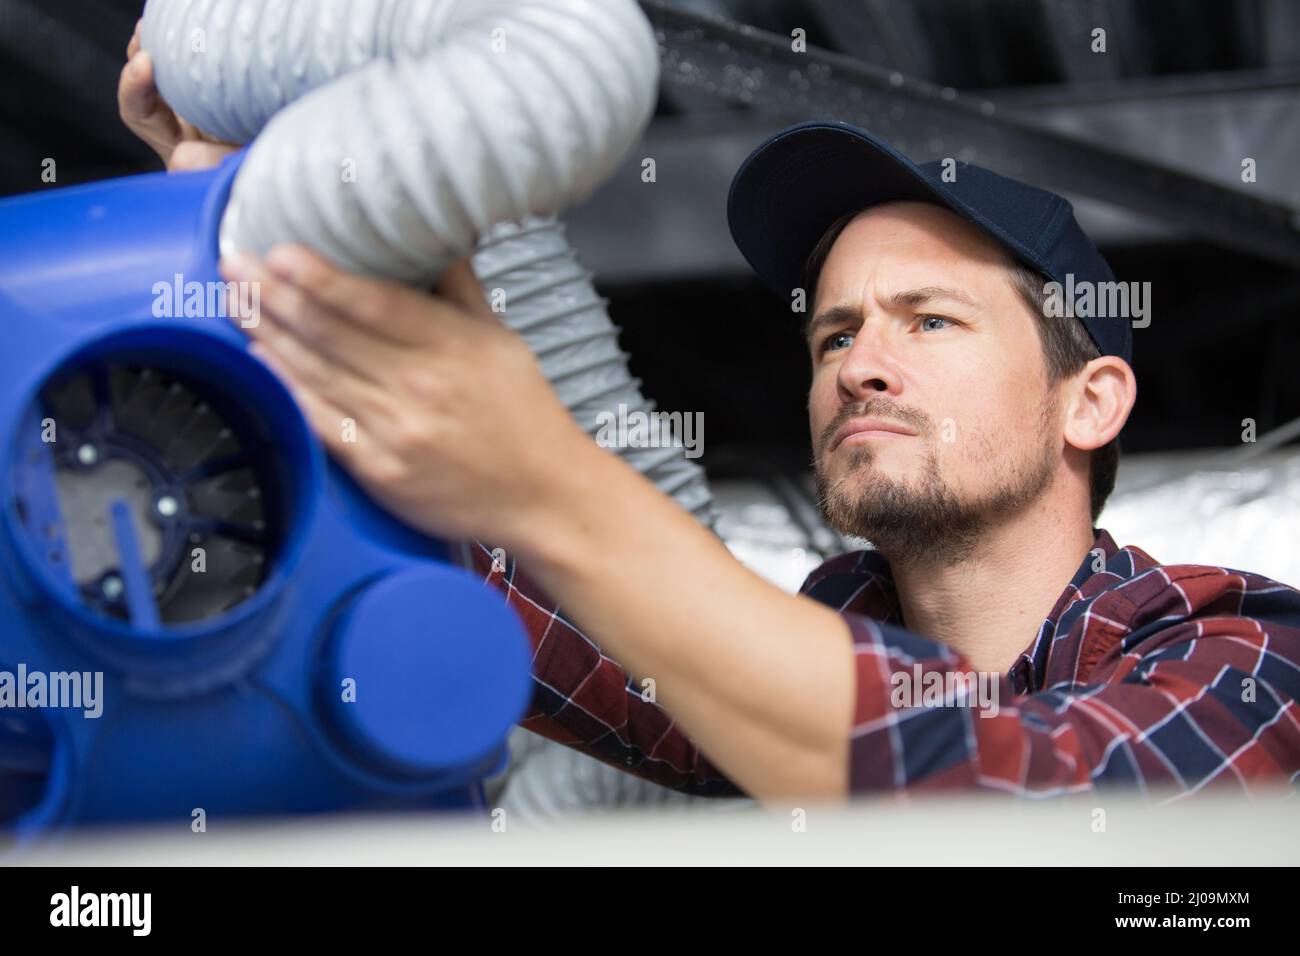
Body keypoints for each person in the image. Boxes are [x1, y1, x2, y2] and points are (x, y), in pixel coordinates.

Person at [121, 31, 1300, 802]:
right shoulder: (788, 654)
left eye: (927, 320)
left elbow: (1017, 796)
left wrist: (542, 477)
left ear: (1087, 400)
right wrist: (259, 233)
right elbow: (524, 588)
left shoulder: (1245, 656)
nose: (859, 366)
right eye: (833, 333)